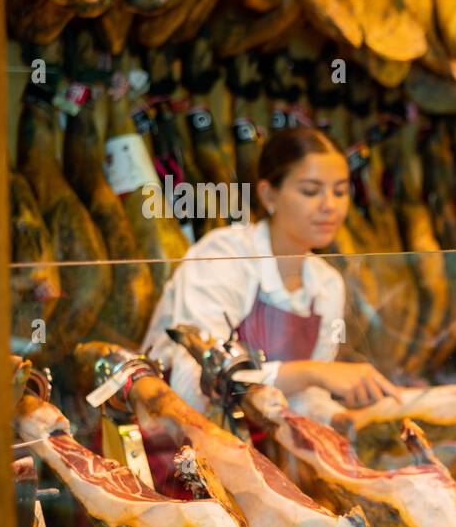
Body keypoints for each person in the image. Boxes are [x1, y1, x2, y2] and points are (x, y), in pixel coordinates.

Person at [142, 124, 398, 422]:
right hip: (173, 439)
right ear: (269, 195)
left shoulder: (327, 284)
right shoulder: (225, 256)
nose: (330, 205)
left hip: (262, 444)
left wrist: (344, 425)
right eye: (310, 191)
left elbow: (305, 396)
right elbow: (192, 385)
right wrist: (313, 373)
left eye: (340, 191)